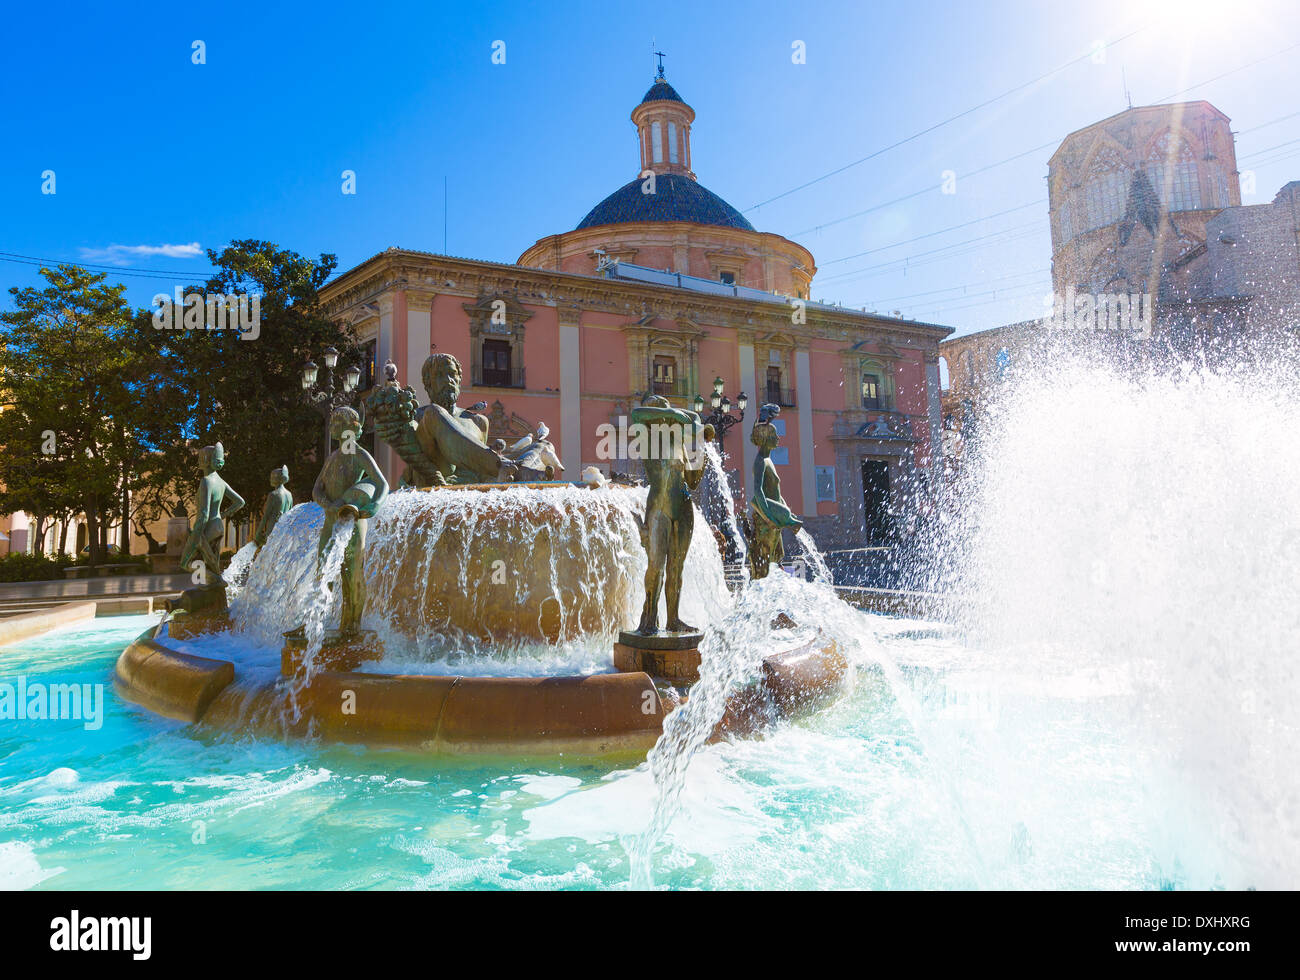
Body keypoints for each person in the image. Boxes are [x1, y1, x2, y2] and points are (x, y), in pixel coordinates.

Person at [630, 394, 714, 634]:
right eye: (662, 413)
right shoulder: (646, 436)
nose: (668, 419)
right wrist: (677, 414)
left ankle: (673, 619)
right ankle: (648, 619)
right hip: (659, 507)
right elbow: (638, 413)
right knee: (656, 566)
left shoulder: (679, 444)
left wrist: (701, 452)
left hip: (684, 507)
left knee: (676, 568)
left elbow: (693, 482)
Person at [312, 407, 389, 635]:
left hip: (353, 521)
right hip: (330, 522)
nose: (331, 426)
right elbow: (317, 488)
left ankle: (353, 621)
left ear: (350, 427)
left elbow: (382, 484)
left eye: (336, 422)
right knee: (323, 573)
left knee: (352, 574)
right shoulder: (332, 458)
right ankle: (316, 622)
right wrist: (327, 504)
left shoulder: (359, 454)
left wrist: (374, 505)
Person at [179, 442, 245, 585]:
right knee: (211, 562)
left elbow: (204, 513)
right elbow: (240, 502)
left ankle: (216, 581)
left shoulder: (206, 482)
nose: (198, 461)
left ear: (205, 460)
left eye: (200, 457)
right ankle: (211, 589)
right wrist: (222, 516)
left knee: (185, 562)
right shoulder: (221, 482)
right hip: (218, 526)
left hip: (206, 527)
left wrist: (196, 533)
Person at [253, 465, 292, 552]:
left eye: (272, 477)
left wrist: (258, 534)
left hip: (272, 530)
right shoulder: (289, 495)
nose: (270, 479)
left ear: (277, 479)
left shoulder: (273, 494)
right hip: (284, 531)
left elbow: (266, 516)